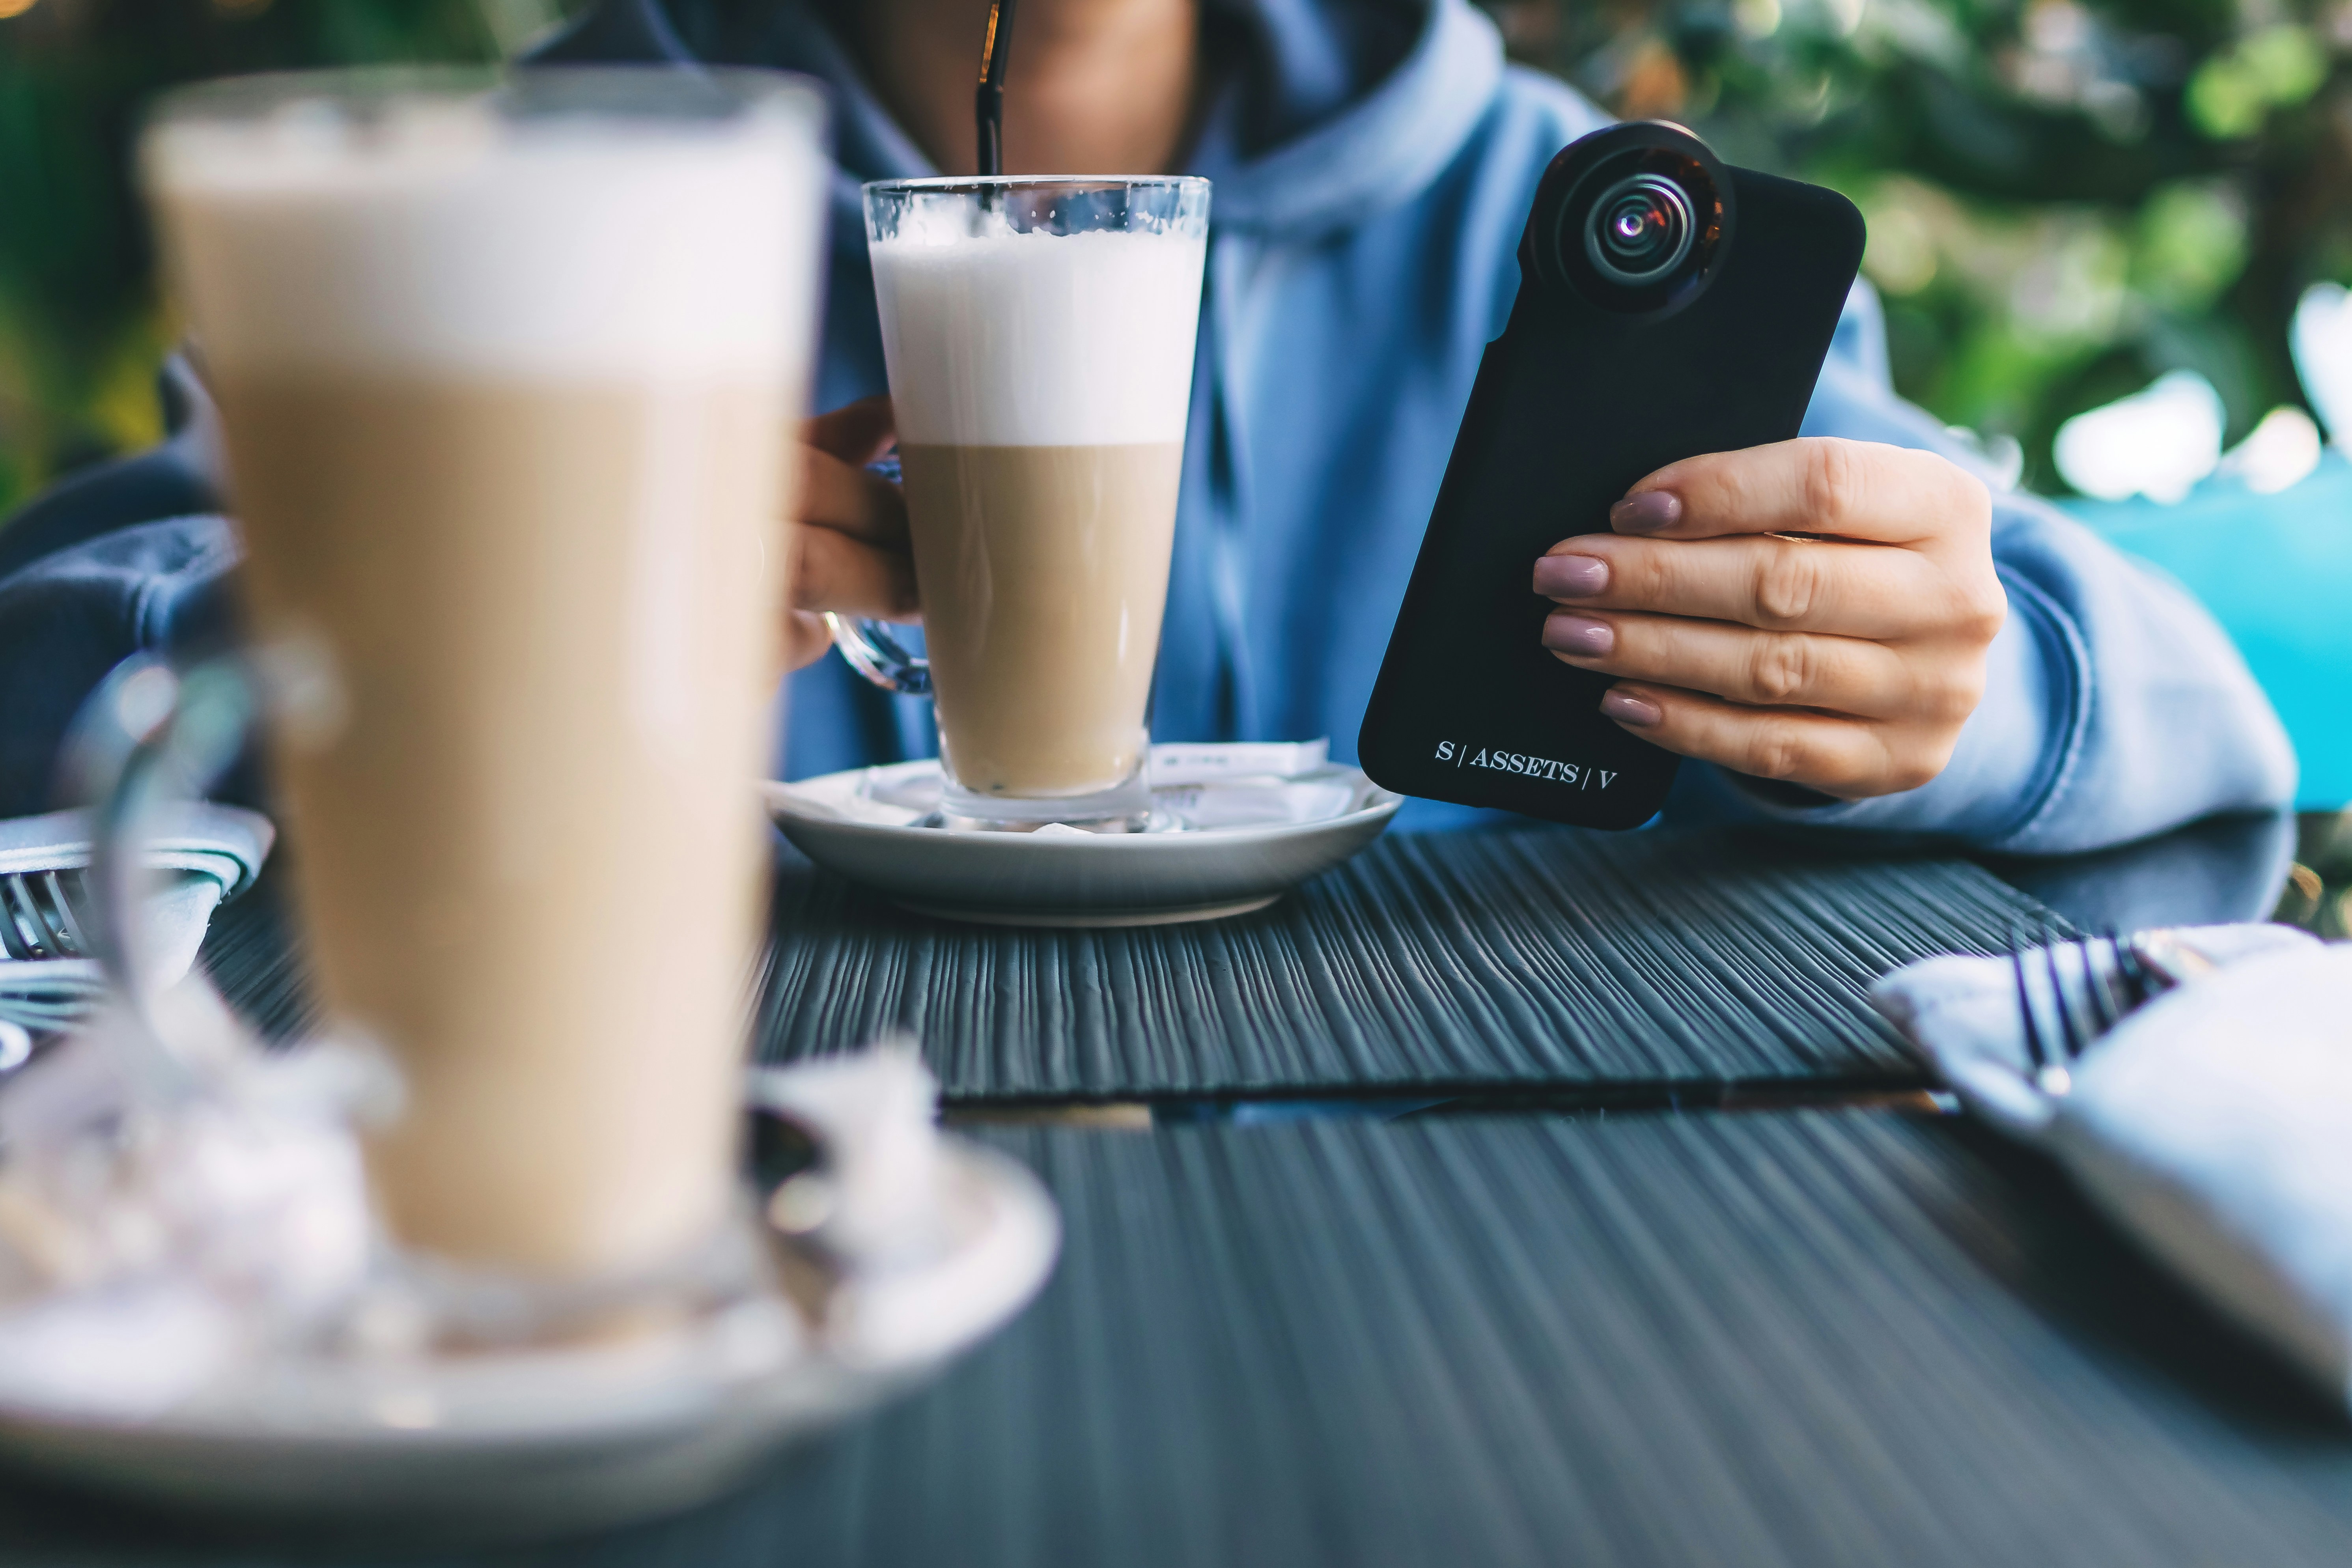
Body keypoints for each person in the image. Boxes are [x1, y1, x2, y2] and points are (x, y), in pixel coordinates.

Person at [0, 0, 2296, 850]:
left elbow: (2119, 680)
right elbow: (55, 656)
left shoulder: (1552, 215)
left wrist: (1976, 668)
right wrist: (418, 616)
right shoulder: (524, 212)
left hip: (1500, 1234)